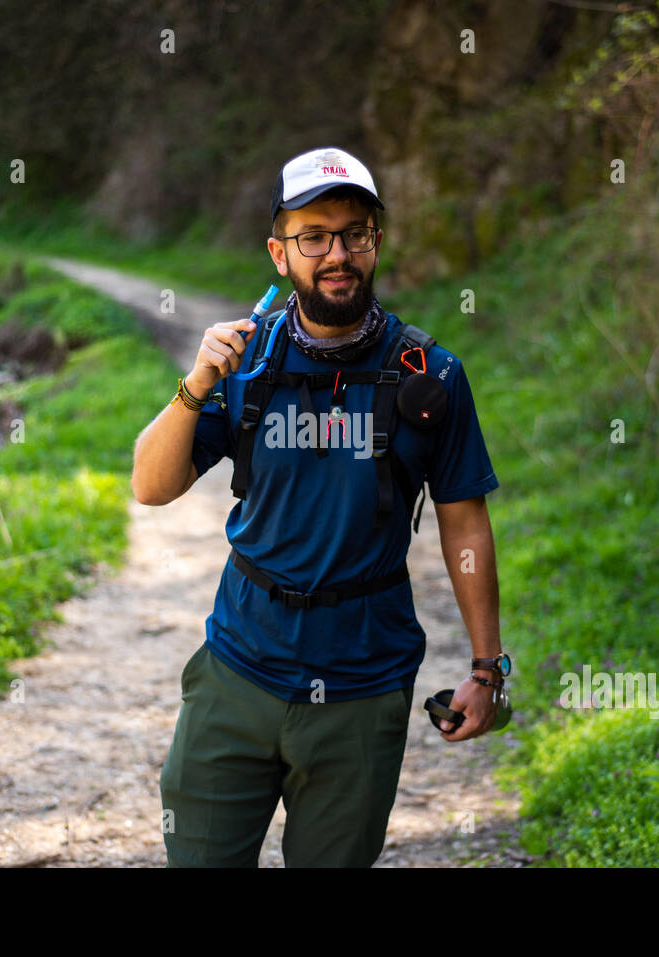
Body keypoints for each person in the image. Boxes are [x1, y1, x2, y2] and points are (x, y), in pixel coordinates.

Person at [132, 146, 508, 867]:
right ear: (280, 253)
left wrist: (487, 668)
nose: (337, 253)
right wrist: (197, 381)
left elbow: (465, 522)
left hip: (363, 685)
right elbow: (150, 485)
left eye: (354, 232)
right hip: (237, 670)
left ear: (376, 240)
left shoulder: (430, 374)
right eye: (314, 236)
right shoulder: (249, 360)